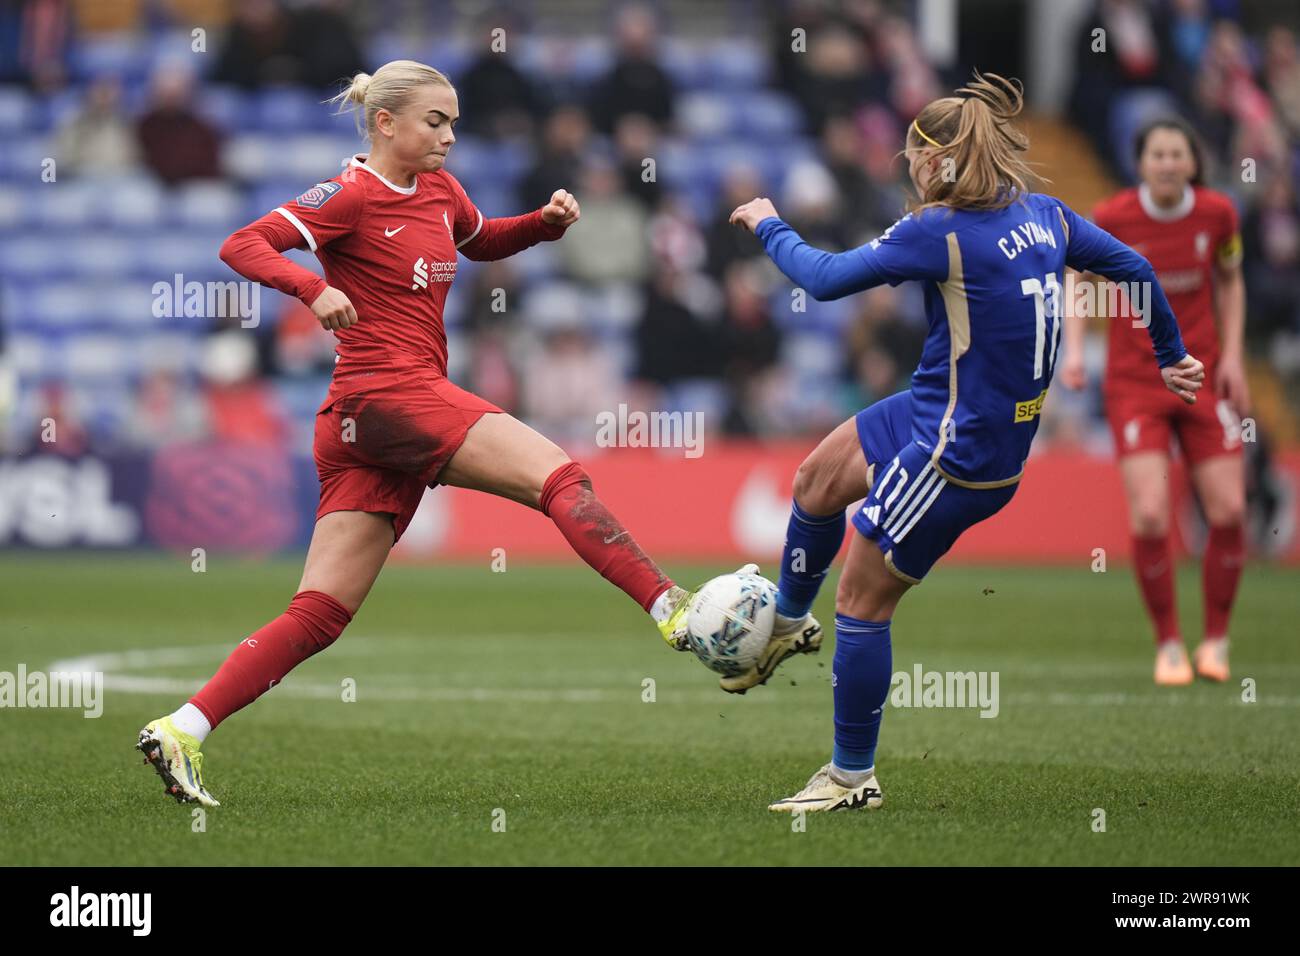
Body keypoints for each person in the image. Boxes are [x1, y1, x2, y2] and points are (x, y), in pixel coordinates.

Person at [133, 60, 797, 808]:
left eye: (453, 121)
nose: (450, 134)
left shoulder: (442, 191)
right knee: (560, 477)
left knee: (319, 614)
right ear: (385, 123)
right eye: (434, 121)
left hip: (366, 421)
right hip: (389, 394)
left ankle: (181, 727)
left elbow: (480, 241)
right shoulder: (351, 194)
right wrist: (312, 287)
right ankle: (671, 609)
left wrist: (542, 227)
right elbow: (243, 244)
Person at [728, 73, 1205, 813]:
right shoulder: (1046, 216)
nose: (908, 166)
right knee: (818, 479)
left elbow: (821, 280)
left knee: (861, 597)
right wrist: (1171, 353)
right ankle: (787, 623)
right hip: (939, 409)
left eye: (913, 154)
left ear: (933, 160)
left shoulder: (940, 232)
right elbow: (1134, 270)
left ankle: (852, 777)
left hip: (956, 455)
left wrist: (767, 222)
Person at [1060, 116, 1247, 685]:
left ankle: (1215, 639)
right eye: (1157, 154)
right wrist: (1074, 349)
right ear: (1140, 163)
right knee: (1148, 515)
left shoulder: (1218, 214)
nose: (1167, 163)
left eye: (1176, 154)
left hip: (1201, 377)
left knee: (1231, 512)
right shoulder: (1115, 217)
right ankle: (1168, 643)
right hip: (1135, 383)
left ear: (1192, 161)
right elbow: (1077, 276)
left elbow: (1232, 280)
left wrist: (1234, 356)